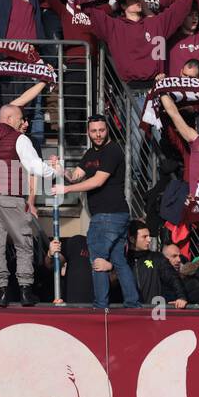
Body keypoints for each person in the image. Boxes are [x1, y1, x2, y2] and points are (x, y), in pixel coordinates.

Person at [0, 104, 58, 307]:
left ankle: (1, 291)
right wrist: (55, 171)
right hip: (11, 198)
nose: (23, 123)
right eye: (20, 118)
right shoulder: (19, 139)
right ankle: (25, 290)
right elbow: (35, 166)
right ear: (9, 118)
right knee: (23, 244)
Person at [53, 116, 140, 309]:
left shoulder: (113, 150)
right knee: (119, 261)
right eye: (94, 131)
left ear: (107, 129)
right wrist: (61, 171)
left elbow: (97, 181)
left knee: (98, 259)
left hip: (108, 215)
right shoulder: (90, 153)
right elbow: (75, 177)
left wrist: (65, 191)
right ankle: (133, 303)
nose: (98, 134)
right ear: (88, 132)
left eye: (101, 130)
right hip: (113, 216)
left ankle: (101, 306)